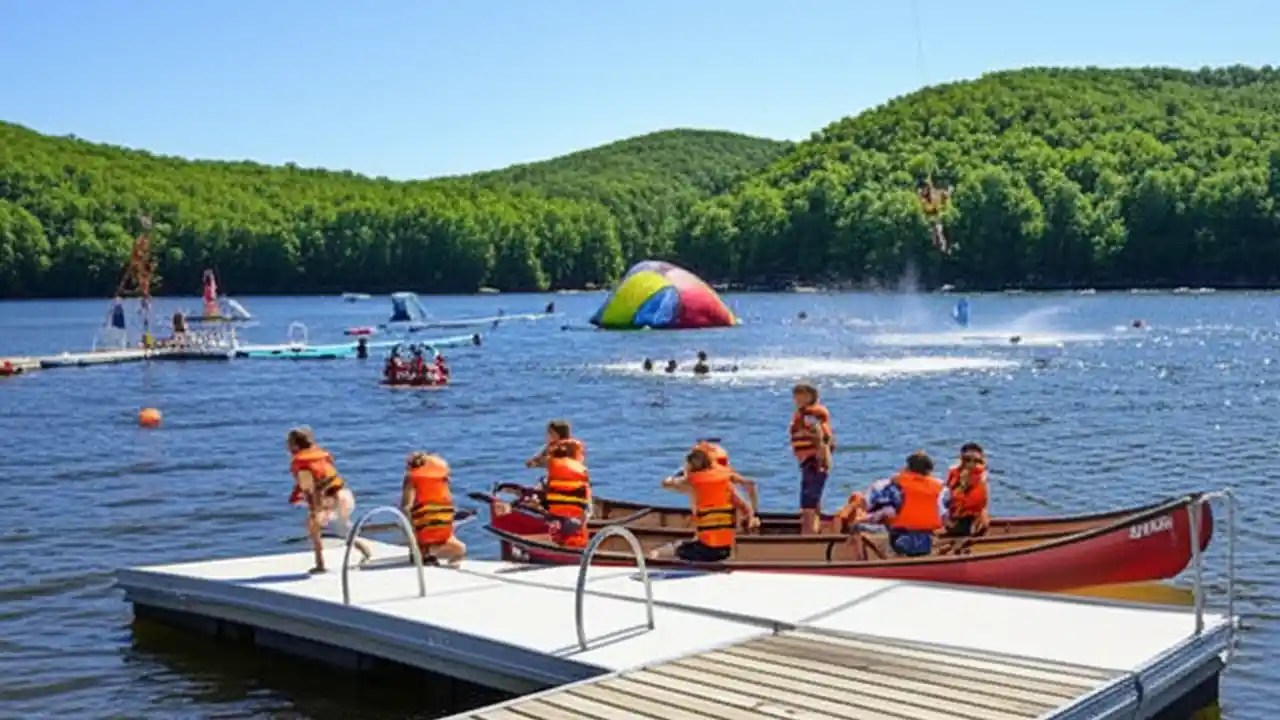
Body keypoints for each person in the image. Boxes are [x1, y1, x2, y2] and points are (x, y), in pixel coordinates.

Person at [286, 427, 372, 574]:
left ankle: (320, 564)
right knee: (342, 528)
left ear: (294, 445)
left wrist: (315, 510)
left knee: (314, 528)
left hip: (330, 500)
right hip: (345, 495)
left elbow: (312, 490)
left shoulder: (303, 467)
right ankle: (363, 550)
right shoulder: (319, 458)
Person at [650, 448, 758, 562]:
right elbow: (747, 500)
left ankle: (650, 562)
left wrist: (680, 474)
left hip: (704, 551)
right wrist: (751, 516)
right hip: (725, 550)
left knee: (664, 550)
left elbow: (665, 483)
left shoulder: (691, 482)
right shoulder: (726, 484)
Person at [401, 452, 466, 565]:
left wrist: (407, 524)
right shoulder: (441, 479)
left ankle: (424, 552)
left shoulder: (412, 479)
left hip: (422, 530)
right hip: (442, 528)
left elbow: (406, 506)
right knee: (460, 549)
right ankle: (430, 553)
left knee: (416, 524)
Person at [789, 383, 834, 534]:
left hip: (813, 460)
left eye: (799, 395)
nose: (796, 398)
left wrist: (822, 454)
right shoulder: (808, 413)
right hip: (810, 460)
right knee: (814, 499)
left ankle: (808, 533)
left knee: (808, 501)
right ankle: (815, 529)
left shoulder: (809, 413)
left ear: (809, 396)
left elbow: (818, 433)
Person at [542, 441, 592, 548]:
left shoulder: (551, 473)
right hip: (574, 526)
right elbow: (586, 510)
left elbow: (546, 501)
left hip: (555, 524)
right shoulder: (582, 474)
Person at [943, 443, 990, 537]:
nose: (971, 464)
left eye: (976, 461)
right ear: (961, 459)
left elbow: (983, 502)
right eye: (967, 459)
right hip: (955, 520)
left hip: (972, 521)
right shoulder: (954, 473)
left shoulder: (981, 476)